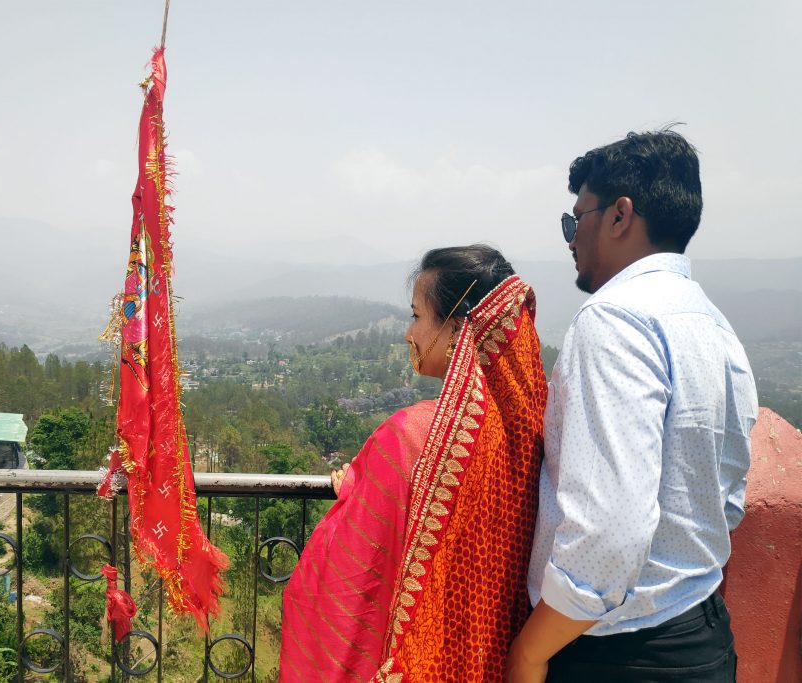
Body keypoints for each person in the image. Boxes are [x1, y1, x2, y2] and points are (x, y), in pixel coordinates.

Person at [508, 130, 758, 683]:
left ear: (620, 216)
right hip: (703, 633)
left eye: (577, 220)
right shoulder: (713, 324)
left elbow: (609, 532)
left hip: (614, 652)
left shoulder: (614, 320)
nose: (570, 238)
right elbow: (729, 498)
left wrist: (530, 651)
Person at [280, 245, 548, 682]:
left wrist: (360, 489)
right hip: (496, 658)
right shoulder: (531, 427)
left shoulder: (408, 436)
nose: (409, 334)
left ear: (458, 329)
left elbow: (340, 579)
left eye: (417, 317)